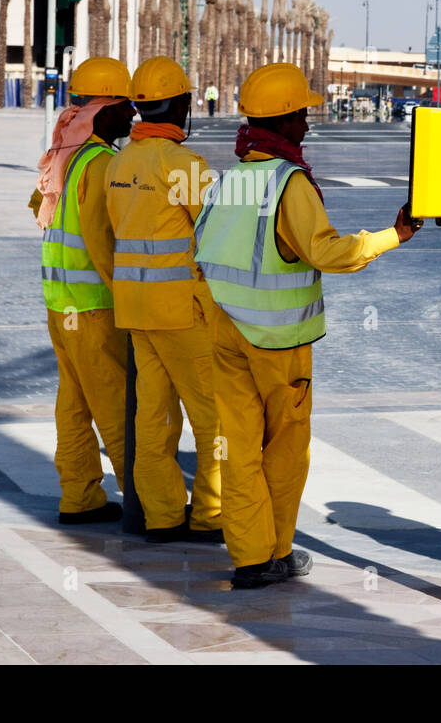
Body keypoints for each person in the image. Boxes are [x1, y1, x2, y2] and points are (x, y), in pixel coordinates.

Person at [195, 64, 421, 589]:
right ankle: (274, 552)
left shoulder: (228, 180)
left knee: (240, 448)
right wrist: (392, 236)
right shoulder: (288, 182)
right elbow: (324, 252)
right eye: (302, 114)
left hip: (226, 333)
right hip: (276, 343)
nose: (308, 125)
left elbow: (202, 254)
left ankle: (247, 557)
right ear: (284, 119)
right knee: (285, 451)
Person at [105, 56, 223, 544]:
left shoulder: (118, 164)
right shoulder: (184, 166)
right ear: (180, 106)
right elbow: (219, 237)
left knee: (151, 421)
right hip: (182, 312)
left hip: (135, 310)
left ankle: (162, 517)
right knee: (213, 416)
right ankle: (212, 516)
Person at [32, 57, 137, 525]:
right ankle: (147, 503)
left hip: (60, 305)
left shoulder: (64, 157)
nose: (133, 116)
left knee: (73, 406)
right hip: (94, 308)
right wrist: (133, 301)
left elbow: (40, 212)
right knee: (115, 404)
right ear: (103, 110)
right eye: (125, 106)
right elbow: (100, 241)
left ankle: (80, 496)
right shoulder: (101, 163)